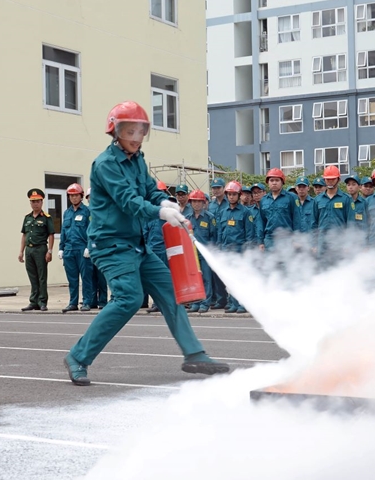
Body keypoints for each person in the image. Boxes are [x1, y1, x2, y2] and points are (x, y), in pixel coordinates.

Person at [63, 101, 228, 386]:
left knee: (169, 291)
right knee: (128, 298)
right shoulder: (105, 165)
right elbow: (128, 201)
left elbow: (149, 189)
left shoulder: (138, 159)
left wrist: (164, 201)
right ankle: (78, 357)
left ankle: (194, 354)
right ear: (116, 132)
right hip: (111, 245)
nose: (137, 136)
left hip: (136, 244)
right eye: (130, 130)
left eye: (141, 130)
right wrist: (160, 212)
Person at [217, 181, 255, 314]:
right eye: (229, 194)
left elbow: (250, 234)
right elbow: (220, 232)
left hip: (240, 250)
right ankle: (233, 303)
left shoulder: (246, 212)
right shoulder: (223, 212)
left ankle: (242, 304)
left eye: (234, 194)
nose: (231, 197)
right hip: (226, 250)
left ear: (239, 195)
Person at [58, 183, 93, 313]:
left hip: (82, 249)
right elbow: (63, 231)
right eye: (71, 196)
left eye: (76, 195)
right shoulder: (66, 213)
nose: (73, 198)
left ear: (81, 196)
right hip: (69, 250)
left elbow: (92, 230)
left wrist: (89, 247)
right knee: (72, 279)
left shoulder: (87, 211)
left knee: (86, 277)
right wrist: (61, 248)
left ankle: (87, 302)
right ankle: (73, 302)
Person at [19, 188, 55, 312]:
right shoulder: (27, 218)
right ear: (30, 203)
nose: (35, 204)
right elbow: (24, 235)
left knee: (42, 277)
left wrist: (49, 251)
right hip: (29, 250)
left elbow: (51, 234)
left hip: (40, 250)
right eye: (33, 201)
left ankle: (43, 301)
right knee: (32, 277)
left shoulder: (46, 218)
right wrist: (21, 251)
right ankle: (33, 301)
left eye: (38, 201)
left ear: (42, 202)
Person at [140, 180, 173, 313]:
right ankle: (153, 303)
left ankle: (162, 303)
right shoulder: (150, 214)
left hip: (164, 251)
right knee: (151, 280)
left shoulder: (168, 214)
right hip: (151, 250)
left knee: (163, 279)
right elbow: (145, 233)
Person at [185, 189, 217, 313]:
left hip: (205, 253)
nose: (196, 204)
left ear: (204, 203)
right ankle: (195, 303)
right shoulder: (187, 219)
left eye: (199, 201)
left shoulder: (210, 218)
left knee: (206, 279)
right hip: (192, 254)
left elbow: (214, 236)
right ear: (190, 203)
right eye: (194, 201)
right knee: (194, 279)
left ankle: (205, 303)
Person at [257, 168, 302, 251]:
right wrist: (261, 242)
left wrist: (297, 239)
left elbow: (297, 219)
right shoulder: (264, 200)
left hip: (287, 238)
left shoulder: (291, 197)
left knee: (286, 263)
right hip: (269, 239)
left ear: (282, 182)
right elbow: (261, 222)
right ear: (268, 183)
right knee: (270, 263)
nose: (274, 183)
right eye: (271, 180)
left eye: (277, 180)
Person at [312, 165, 351, 259]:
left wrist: (348, 243)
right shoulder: (317, 200)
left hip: (340, 240)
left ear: (338, 179)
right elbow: (314, 223)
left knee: (339, 268)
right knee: (323, 268)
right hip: (322, 241)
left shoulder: (346, 199)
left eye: (333, 179)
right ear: (324, 180)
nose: (330, 181)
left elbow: (350, 223)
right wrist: (314, 244)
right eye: (327, 179)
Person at [206, 177, 228, 310]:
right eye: (214, 188)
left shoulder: (229, 202)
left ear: (223, 188)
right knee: (216, 273)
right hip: (214, 242)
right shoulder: (211, 205)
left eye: (218, 188)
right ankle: (221, 299)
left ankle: (233, 300)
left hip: (227, 241)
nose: (216, 190)